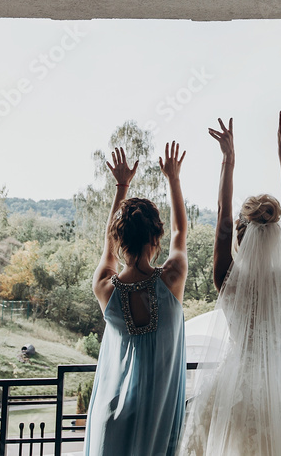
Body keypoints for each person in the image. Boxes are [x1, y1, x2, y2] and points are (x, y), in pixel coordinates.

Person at [180, 113, 281, 456]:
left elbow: (222, 213)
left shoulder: (227, 282)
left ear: (239, 238)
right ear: (277, 234)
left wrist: (228, 159)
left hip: (234, 392)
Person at [86, 142, 189, 456]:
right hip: (157, 422)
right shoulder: (172, 279)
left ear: (118, 237)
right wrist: (173, 178)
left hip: (110, 417)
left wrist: (122, 187)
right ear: (155, 237)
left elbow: (107, 246)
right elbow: (180, 232)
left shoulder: (105, 287)